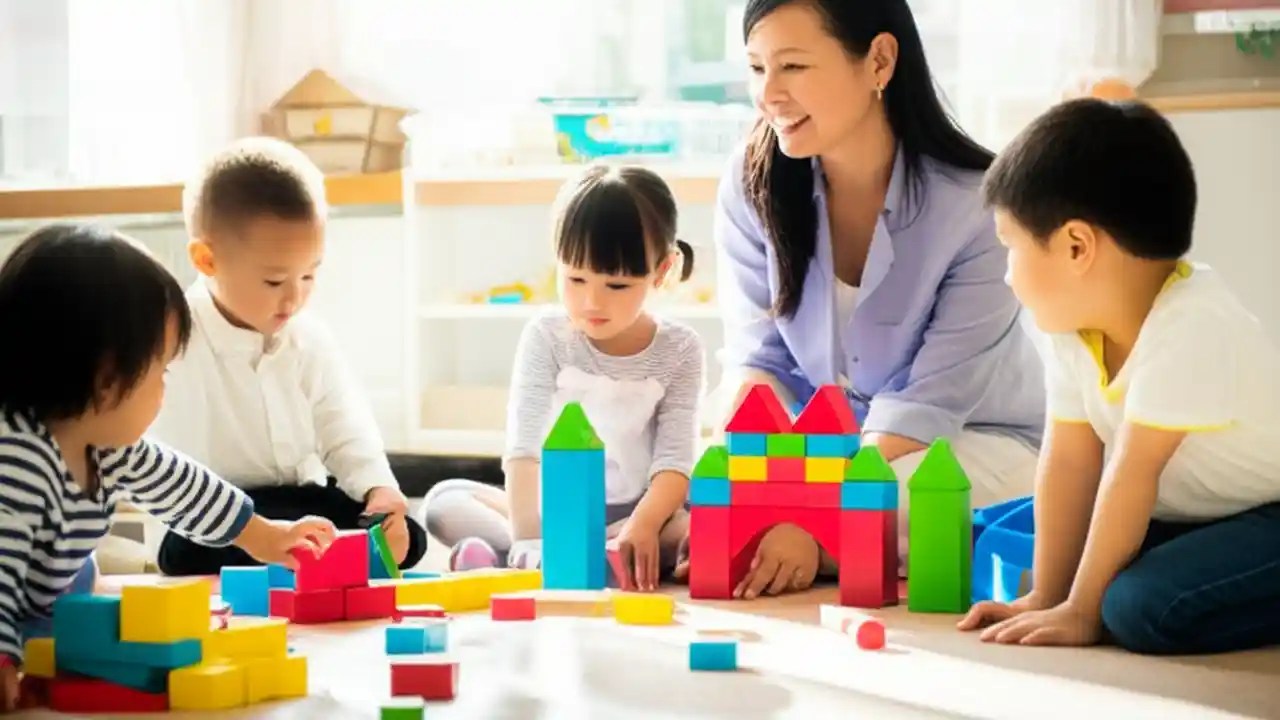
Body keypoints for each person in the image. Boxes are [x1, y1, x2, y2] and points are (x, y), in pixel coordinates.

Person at [701, 0, 1045, 599]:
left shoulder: (976, 205)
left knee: (913, 497)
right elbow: (759, 363)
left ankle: (825, 544)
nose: (769, 95)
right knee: (704, 484)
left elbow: (926, 409)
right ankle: (822, 541)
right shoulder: (751, 183)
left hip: (965, 441)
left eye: (794, 67)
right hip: (825, 442)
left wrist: (807, 515)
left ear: (880, 60)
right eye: (758, 69)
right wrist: (752, 475)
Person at [958, 98, 1280, 655]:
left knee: (1134, 609)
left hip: (1264, 515)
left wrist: (1081, 611)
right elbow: (1070, 461)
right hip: (1189, 514)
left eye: (1009, 247)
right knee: (995, 529)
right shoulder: (1073, 326)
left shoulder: (1193, 323)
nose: (1007, 274)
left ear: (1077, 246)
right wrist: (1046, 597)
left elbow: (1132, 472)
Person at [0, 224, 336, 709]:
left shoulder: (108, 447)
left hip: (45, 601)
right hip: (14, 598)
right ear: (107, 381)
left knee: (86, 592)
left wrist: (261, 535)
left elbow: (181, 487)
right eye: (160, 372)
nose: (164, 389)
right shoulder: (20, 459)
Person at [148, 137, 427, 576]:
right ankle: (303, 553)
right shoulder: (172, 338)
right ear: (207, 260)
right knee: (188, 549)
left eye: (309, 275)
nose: (295, 297)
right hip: (214, 514)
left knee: (405, 533)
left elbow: (344, 427)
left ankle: (318, 552)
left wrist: (380, 491)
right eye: (275, 281)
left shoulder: (309, 337)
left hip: (303, 501)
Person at [418, 164, 704, 591]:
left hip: (634, 515)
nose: (592, 301)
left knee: (694, 530)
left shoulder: (680, 349)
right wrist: (529, 536)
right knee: (443, 501)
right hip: (553, 511)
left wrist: (642, 525)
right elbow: (523, 448)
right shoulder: (547, 335)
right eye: (575, 278)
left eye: (617, 286)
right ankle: (539, 556)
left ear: (660, 272)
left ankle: (513, 562)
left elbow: (675, 462)